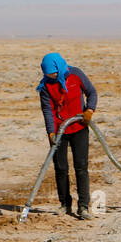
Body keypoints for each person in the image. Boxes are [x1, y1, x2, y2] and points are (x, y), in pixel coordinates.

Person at [37, 52, 98, 219]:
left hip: (79, 126)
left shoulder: (76, 74)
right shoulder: (45, 87)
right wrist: (51, 132)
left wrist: (89, 110)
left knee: (81, 166)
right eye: (49, 75)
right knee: (61, 168)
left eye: (54, 74)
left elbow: (92, 92)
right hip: (59, 132)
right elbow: (48, 111)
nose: (52, 77)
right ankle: (65, 204)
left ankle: (83, 206)